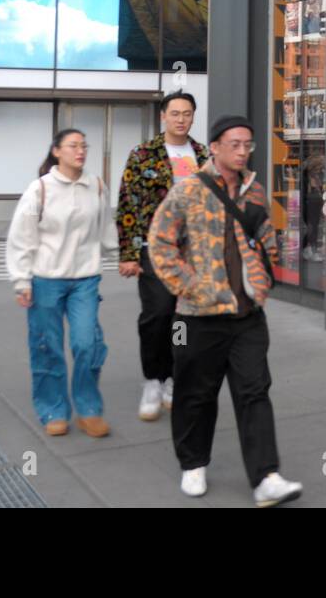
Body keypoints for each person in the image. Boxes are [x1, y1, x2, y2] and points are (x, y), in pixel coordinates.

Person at [148, 114, 302, 507]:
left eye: (247, 144)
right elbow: (160, 243)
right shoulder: (188, 191)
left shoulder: (255, 192)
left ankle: (266, 477)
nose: (242, 151)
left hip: (248, 315)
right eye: (234, 144)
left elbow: (266, 238)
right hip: (198, 316)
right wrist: (190, 286)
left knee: (255, 391)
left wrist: (263, 280)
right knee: (196, 393)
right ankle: (193, 463)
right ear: (214, 147)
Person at [5, 129, 118, 438]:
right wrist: (21, 280)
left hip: (85, 279)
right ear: (56, 151)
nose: (80, 151)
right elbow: (21, 236)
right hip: (46, 280)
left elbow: (106, 228)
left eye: (84, 146)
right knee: (47, 346)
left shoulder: (96, 186)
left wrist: (126, 256)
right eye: (73, 146)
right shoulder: (40, 188)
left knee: (87, 344)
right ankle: (53, 409)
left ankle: (88, 409)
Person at [115, 90, 208, 422]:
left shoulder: (204, 155)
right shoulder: (143, 154)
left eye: (187, 114)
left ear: (193, 117)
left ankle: (173, 378)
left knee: (185, 318)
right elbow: (128, 204)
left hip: (193, 252)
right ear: (163, 116)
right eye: (175, 113)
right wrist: (128, 253)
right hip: (154, 249)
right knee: (157, 314)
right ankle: (153, 379)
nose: (181, 119)